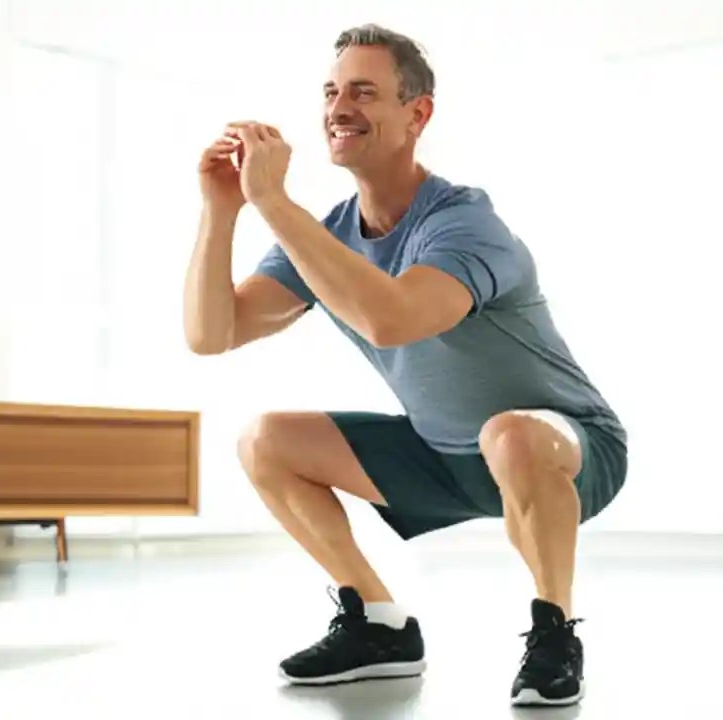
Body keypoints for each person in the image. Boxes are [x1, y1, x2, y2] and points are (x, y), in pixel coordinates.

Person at [183, 23, 627, 708]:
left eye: (364, 92)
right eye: (331, 92)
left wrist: (272, 201)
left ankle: (556, 633)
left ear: (417, 113)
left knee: (508, 433)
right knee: (265, 439)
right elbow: (214, 333)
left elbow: (390, 318)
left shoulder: (463, 222)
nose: (338, 108)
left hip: (567, 445)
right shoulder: (328, 232)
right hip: (444, 455)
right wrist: (222, 211)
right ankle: (379, 626)